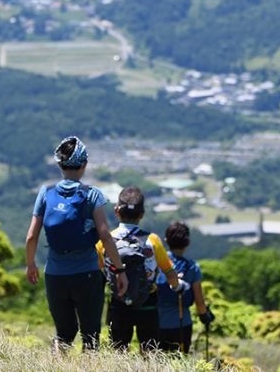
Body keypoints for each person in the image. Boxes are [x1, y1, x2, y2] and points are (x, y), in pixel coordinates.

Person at [25, 136, 127, 352]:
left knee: (63, 333)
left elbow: (31, 236)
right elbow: (105, 236)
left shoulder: (46, 193)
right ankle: (89, 364)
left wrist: (31, 264)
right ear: (84, 164)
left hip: (54, 275)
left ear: (60, 164)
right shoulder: (92, 195)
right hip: (87, 274)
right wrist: (119, 270)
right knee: (91, 336)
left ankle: (54, 365)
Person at [96, 186, 180, 354]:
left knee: (118, 351)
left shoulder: (105, 241)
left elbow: (100, 272)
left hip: (118, 302)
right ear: (142, 213)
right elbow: (169, 272)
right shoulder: (153, 241)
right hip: (148, 302)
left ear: (116, 211)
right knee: (150, 351)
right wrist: (176, 286)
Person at [156, 221, 213, 355]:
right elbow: (200, 302)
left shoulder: (157, 264)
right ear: (187, 243)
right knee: (180, 361)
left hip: (157, 323)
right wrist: (205, 316)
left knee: (156, 361)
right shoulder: (192, 267)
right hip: (182, 324)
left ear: (166, 241)